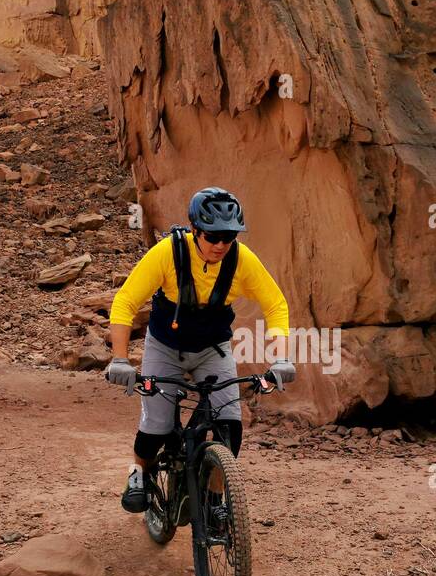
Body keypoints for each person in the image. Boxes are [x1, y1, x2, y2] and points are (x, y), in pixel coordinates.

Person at [105, 187, 295, 513]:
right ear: (195, 229)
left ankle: (214, 499)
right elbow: (125, 302)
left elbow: (275, 305)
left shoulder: (241, 260)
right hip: (165, 348)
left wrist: (281, 359)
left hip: (212, 350)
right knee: (157, 426)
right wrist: (120, 359)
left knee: (230, 427)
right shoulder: (168, 253)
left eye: (229, 237)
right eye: (213, 236)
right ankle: (138, 474)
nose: (221, 244)